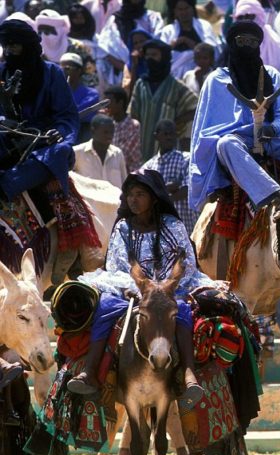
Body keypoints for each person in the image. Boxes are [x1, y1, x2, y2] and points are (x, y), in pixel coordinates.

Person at [70, 170, 209, 410]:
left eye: (140, 194)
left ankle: (189, 375)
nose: (133, 200)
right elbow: (116, 266)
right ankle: (89, 373)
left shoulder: (173, 225)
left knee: (183, 310)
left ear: (154, 198)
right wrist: (140, 288)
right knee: (105, 306)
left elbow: (186, 264)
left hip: (171, 291)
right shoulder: (123, 228)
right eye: (130, 195)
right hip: (133, 291)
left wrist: (164, 288)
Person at [189, 21, 280, 212]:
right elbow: (205, 131)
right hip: (240, 142)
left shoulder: (272, 74)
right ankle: (272, 194)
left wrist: (273, 128)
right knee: (225, 144)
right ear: (232, 43)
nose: (248, 46)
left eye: (253, 42)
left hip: (271, 137)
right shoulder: (217, 80)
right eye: (242, 41)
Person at [0, 19, 78, 202]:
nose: (8, 50)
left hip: (42, 142)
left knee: (59, 152)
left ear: (27, 46)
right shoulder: (1, 72)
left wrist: (59, 132)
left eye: (14, 45)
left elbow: (67, 115)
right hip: (6, 138)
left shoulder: (52, 73)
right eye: (5, 45)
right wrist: (3, 121)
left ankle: (6, 186)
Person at [129, 39, 198, 161]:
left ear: (164, 57)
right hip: (142, 146)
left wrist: (176, 122)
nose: (150, 59)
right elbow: (132, 114)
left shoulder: (176, 86)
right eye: (147, 55)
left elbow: (196, 107)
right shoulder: (141, 84)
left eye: (154, 55)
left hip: (168, 151)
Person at [142, 119, 198, 234]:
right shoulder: (148, 167)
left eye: (172, 134)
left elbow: (188, 189)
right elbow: (145, 193)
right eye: (165, 134)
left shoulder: (186, 159)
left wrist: (160, 197)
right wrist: (168, 188)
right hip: (158, 229)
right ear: (156, 136)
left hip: (186, 227)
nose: (169, 137)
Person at [95, 0, 164, 88]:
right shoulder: (114, 20)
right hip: (120, 77)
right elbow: (104, 50)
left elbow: (158, 44)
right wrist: (127, 69)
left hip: (150, 73)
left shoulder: (153, 18)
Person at [160, 0, 218, 79]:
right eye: (180, 9)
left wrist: (193, 45)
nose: (184, 12)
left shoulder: (205, 26)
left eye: (186, 8)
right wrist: (172, 45)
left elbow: (213, 51)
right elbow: (161, 54)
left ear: (192, 9)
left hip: (201, 73)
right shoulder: (168, 30)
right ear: (175, 11)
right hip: (174, 75)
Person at [232, 0, 280, 75]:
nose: (245, 21)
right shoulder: (233, 44)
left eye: (249, 16)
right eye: (240, 17)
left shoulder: (273, 40)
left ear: (259, 16)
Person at [73, 114, 128, 188]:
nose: (109, 136)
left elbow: (125, 185)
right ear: (93, 131)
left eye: (111, 132)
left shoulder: (118, 154)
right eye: (105, 132)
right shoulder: (77, 153)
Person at [60, 52, 100, 142]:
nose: (62, 71)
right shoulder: (56, 91)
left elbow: (78, 113)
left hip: (81, 136)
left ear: (79, 70)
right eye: (60, 68)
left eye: (67, 68)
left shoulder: (92, 94)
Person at [104, 85, 142, 173]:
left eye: (109, 102)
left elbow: (125, 154)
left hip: (129, 174)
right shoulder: (108, 124)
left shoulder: (133, 126)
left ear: (120, 103)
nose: (106, 106)